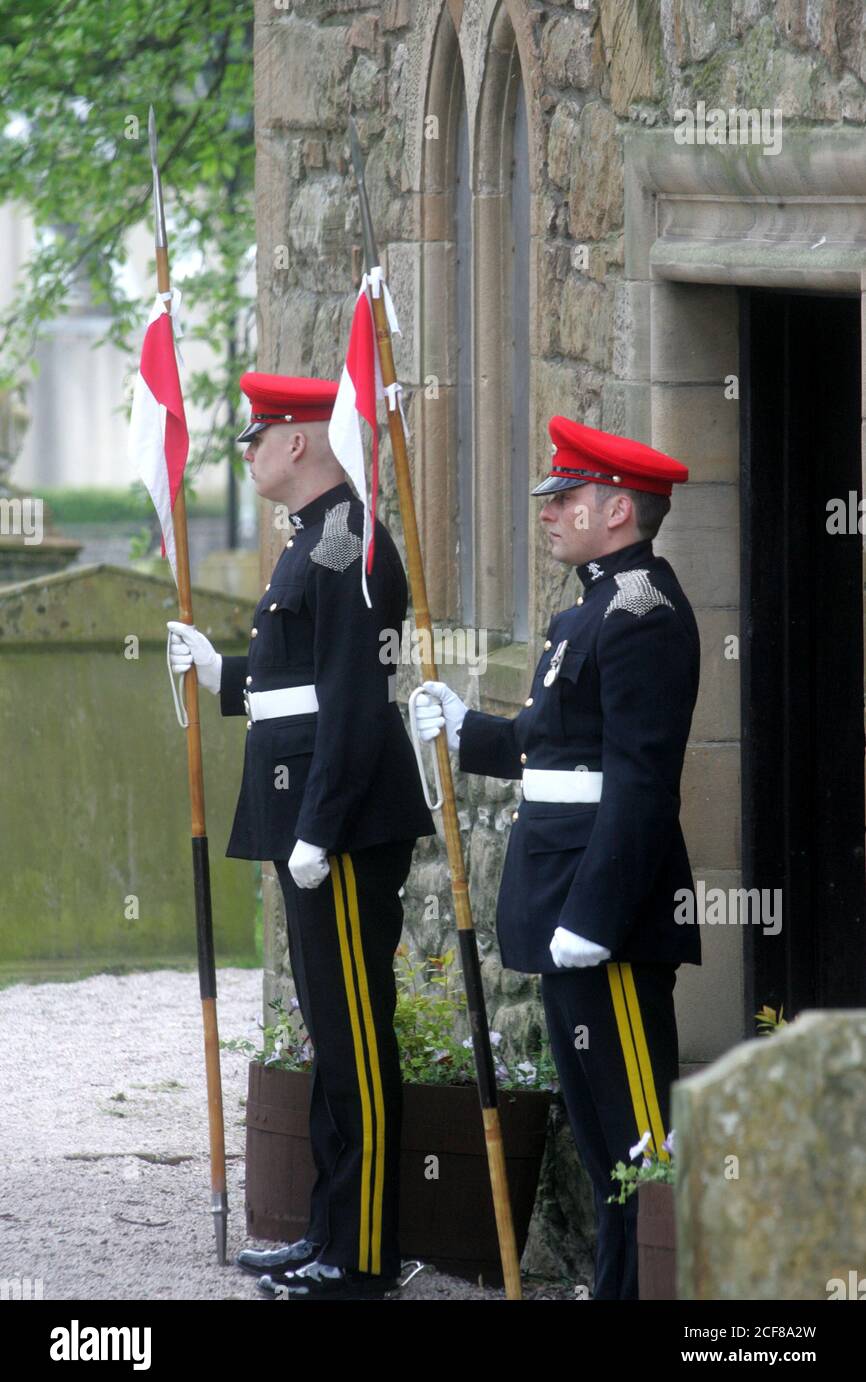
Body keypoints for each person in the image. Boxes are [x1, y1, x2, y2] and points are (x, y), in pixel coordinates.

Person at [413, 415, 701, 1300]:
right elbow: (550, 744)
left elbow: (642, 783)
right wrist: (468, 734)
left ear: (618, 509)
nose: (550, 512)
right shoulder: (590, 606)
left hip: (601, 914)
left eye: (566, 498)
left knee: (638, 1137)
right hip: (565, 896)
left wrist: (597, 916)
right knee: (600, 1135)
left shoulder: (642, 612)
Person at [168, 371, 436, 1300]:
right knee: (332, 1035)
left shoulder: (346, 544)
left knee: (356, 1040)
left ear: (297, 441)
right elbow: (302, 682)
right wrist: (223, 676)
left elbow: (357, 706)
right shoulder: (314, 542)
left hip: (346, 827)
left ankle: (362, 1256)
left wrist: (319, 828)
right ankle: (330, 1229)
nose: (245, 452)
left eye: (256, 435)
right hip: (316, 820)